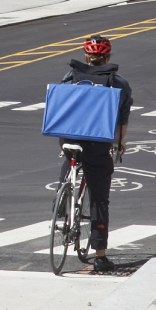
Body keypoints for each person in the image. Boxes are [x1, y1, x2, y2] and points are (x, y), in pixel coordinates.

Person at [58, 35, 133, 272]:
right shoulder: (118, 83)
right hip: (97, 142)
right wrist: (120, 142)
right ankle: (100, 255)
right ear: (108, 57)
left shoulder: (71, 77)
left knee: (70, 157)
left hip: (69, 136)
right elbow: (122, 118)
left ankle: (62, 200)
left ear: (85, 56)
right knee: (99, 198)